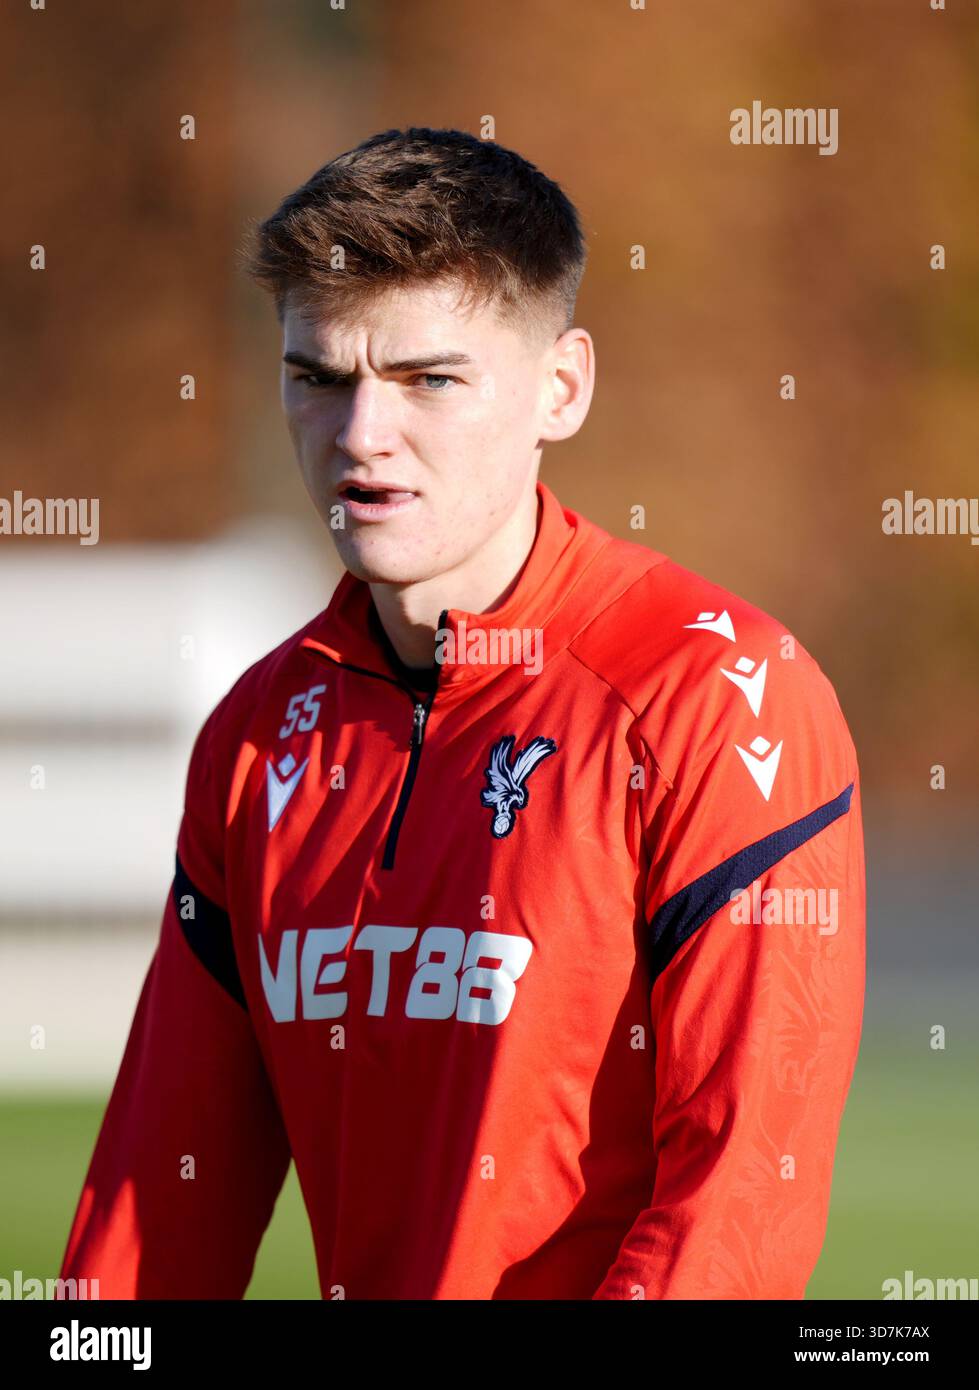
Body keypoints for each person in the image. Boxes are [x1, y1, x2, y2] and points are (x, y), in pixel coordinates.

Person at [59, 127, 865, 1300]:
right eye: (317, 378)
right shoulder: (256, 733)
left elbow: (739, 1201)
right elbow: (155, 1206)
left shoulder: (718, 696)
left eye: (429, 379)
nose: (361, 435)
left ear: (561, 388)